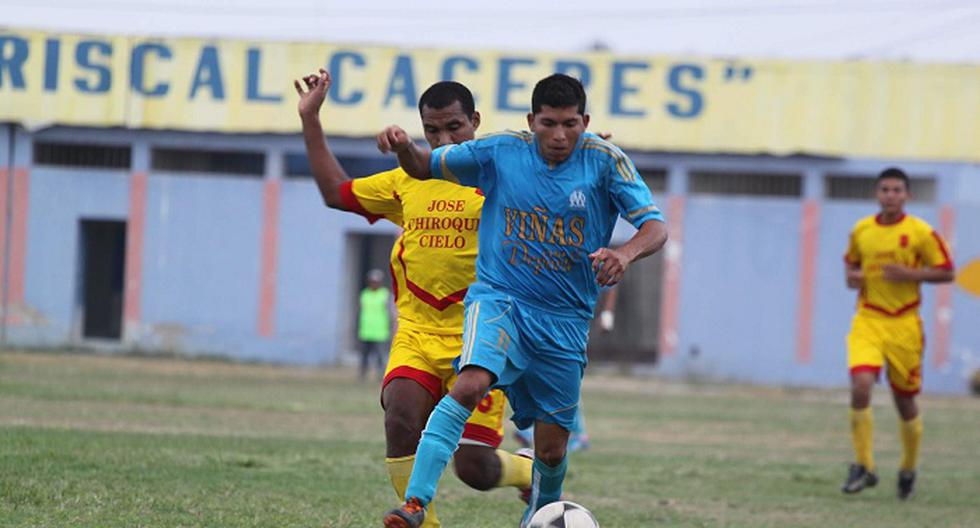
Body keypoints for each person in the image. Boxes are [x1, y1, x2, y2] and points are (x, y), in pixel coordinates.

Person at [379, 73, 668, 527]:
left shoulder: (607, 162)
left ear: (585, 121)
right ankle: (415, 505)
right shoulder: (499, 151)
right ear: (531, 120)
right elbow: (422, 165)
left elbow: (655, 226)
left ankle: (540, 514)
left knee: (551, 449)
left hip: (564, 320)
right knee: (470, 383)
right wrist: (401, 148)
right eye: (548, 123)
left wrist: (625, 253)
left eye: (570, 124)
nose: (559, 135)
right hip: (501, 301)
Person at [295, 70, 533, 528]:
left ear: (475, 122)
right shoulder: (407, 181)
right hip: (418, 334)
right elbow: (335, 193)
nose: (443, 139)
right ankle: (422, 522)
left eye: (454, 128)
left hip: (478, 338)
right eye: (433, 131)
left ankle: (529, 470)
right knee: (399, 418)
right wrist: (310, 119)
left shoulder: (504, 179)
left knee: (474, 470)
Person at [841, 167, 954, 500]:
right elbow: (850, 266)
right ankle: (864, 465)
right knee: (860, 385)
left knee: (905, 402)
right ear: (877, 194)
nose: (890, 195)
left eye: (897, 190)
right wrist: (853, 278)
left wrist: (910, 273)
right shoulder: (862, 230)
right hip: (868, 320)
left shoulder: (920, 232)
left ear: (907, 195)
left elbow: (947, 272)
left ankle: (908, 468)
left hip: (905, 325)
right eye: (885, 190)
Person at [358, 269, 392, 381]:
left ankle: (381, 375)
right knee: (364, 355)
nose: (374, 283)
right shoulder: (365, 294)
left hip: (380, 330)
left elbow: (391, 312)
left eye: (376, 281)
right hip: (366, 330)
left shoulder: (385, 295)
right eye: (372, 281)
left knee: (380, 355)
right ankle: (362, 375)